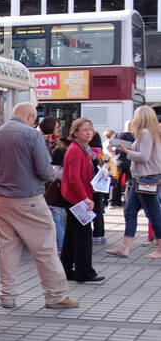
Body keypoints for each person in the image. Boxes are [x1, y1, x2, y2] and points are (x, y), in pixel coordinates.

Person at [0, 103, 77, 310]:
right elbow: (46, 171)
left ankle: (7, 296)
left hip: (1, 200)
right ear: (31, 117)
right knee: (45, 248)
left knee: (7, 248)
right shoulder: (32, 135)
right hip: (29, 199)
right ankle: (55, 295)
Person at [106, 106, 161, 259]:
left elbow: (144, 157)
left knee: (153, 214)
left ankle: (160, 249)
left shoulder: (145, 133)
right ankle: (124, 247)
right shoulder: (152, 132)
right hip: (143, 179)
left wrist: (125, 151)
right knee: (129, 211)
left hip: (146, 179)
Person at [61, 117, 103, 283]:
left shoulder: (83, 149)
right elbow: (73, 178)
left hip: (77, 197)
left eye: (90, 129)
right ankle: (84, 272)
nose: (89, 132)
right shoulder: (75, 150)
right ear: (75, 132)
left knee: (72, 236)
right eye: (85, 129)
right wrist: (84, 198)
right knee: (83, 236)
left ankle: (66, 270)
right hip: (76, 198)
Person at [40, 117, 66, 251]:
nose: (59, 130)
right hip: (53, 186)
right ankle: (60, 245)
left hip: (52, 187)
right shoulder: (45, 142)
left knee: (56, 219)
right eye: (57, 127)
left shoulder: (55, 144)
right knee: (57, 218)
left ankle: (60, 246)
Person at [89, 130, 106, 243]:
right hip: (99, 185)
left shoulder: (89, 154)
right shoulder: (101, 154)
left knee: (89, 208)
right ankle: (99, 235)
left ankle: (92, 234)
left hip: (89, 185)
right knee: (99, 210)